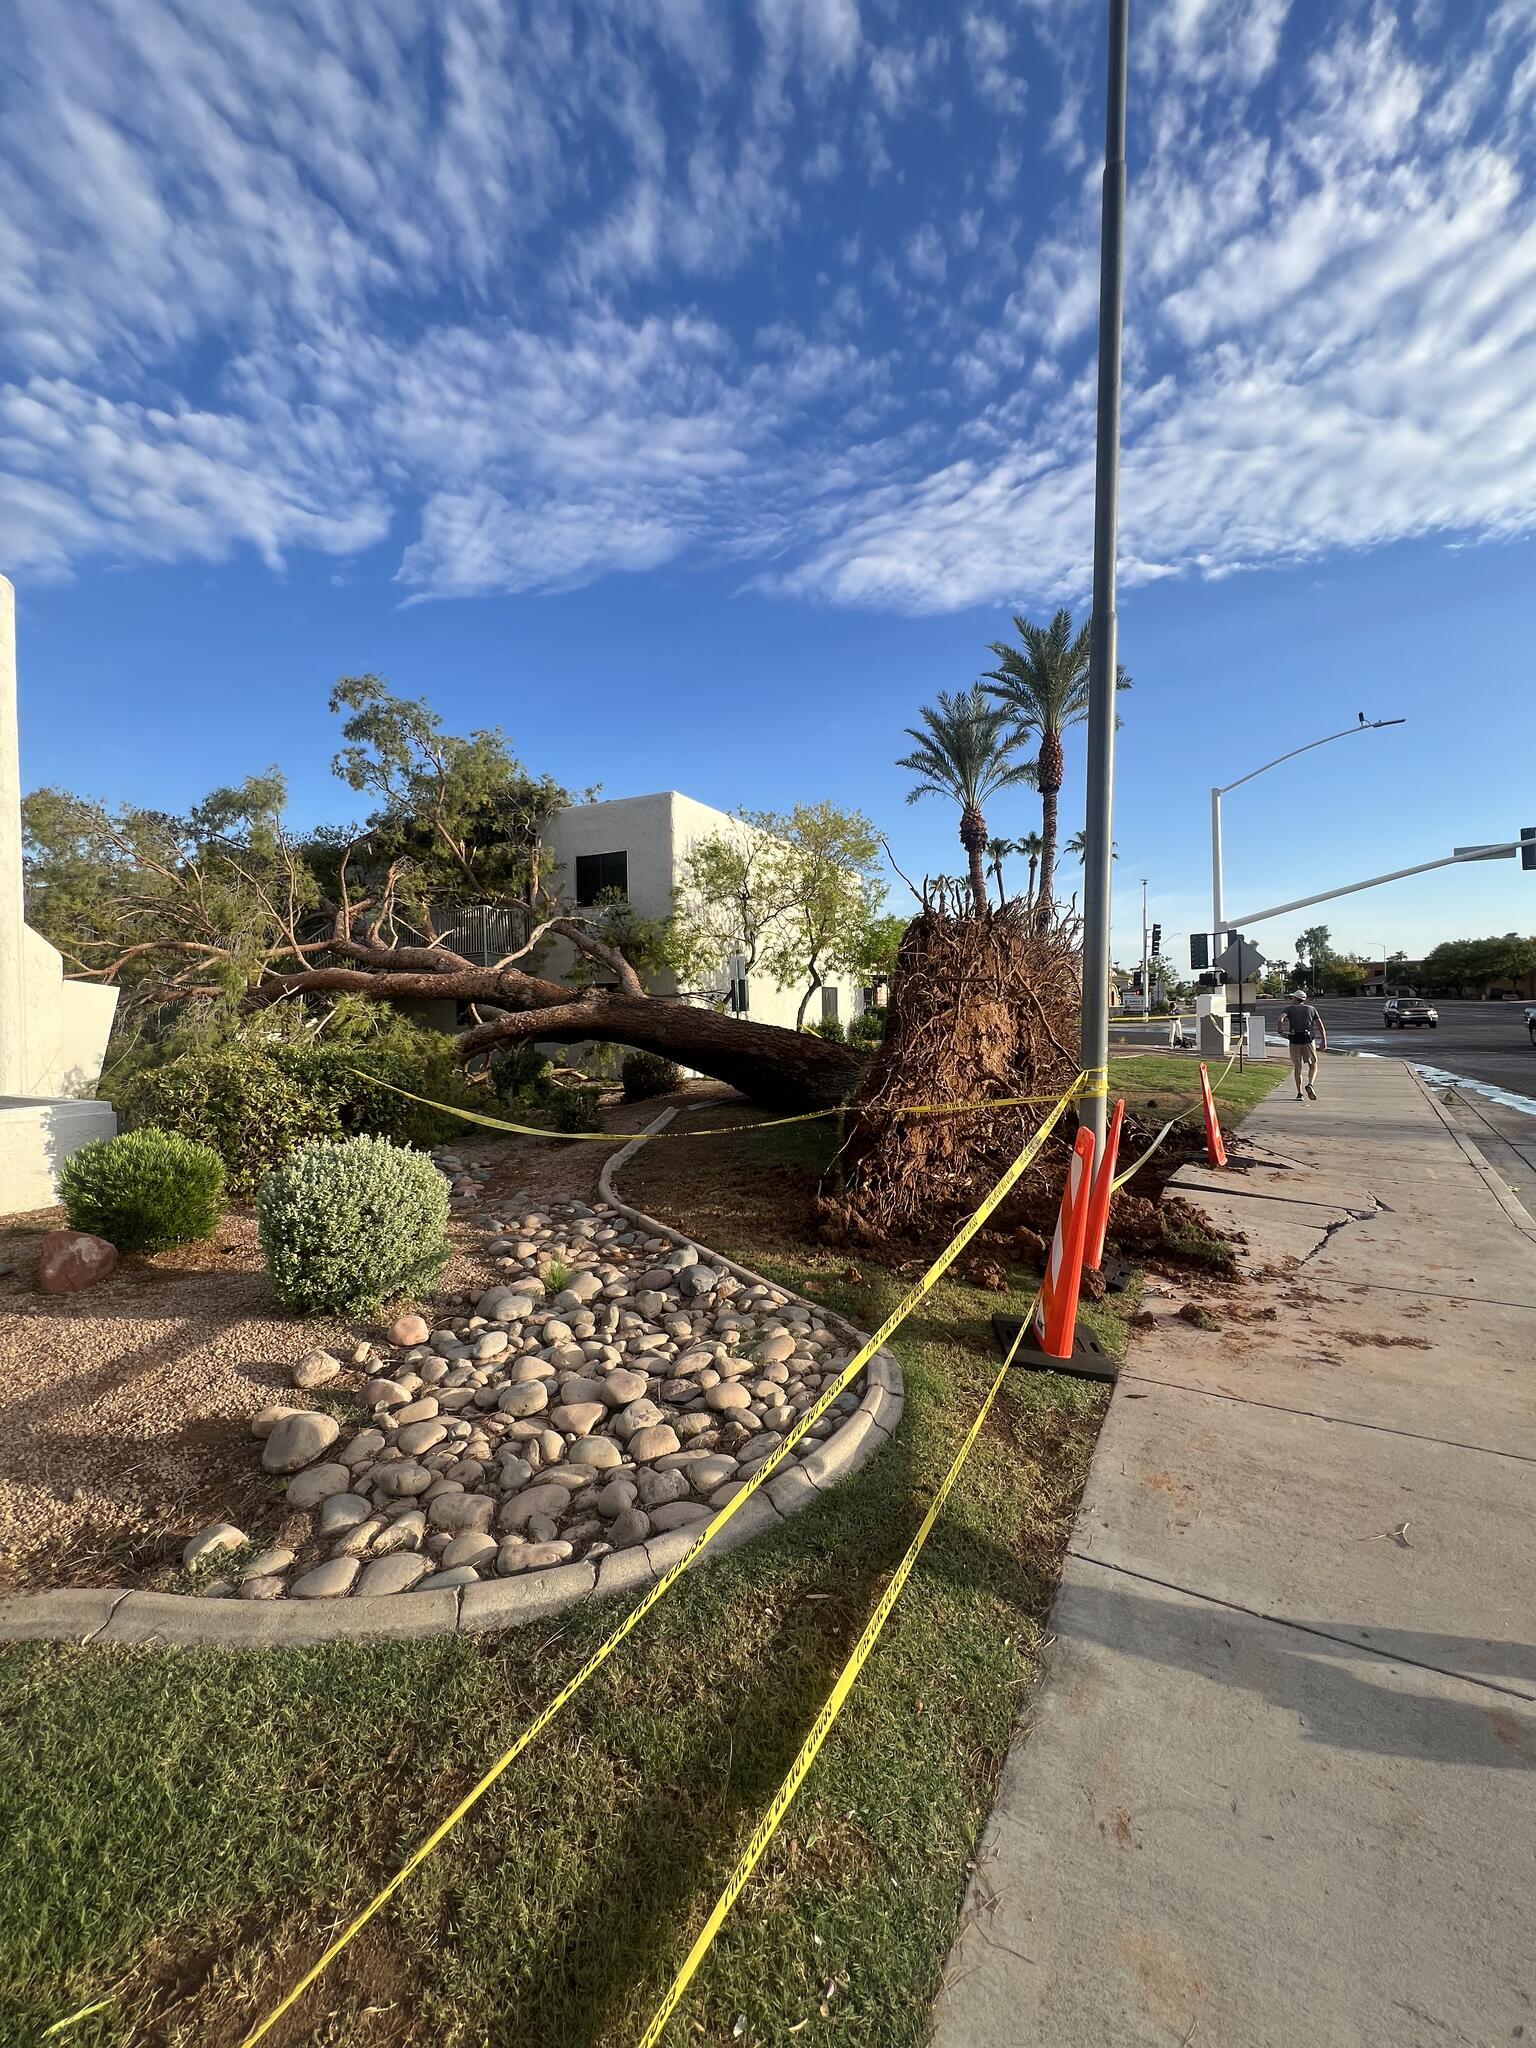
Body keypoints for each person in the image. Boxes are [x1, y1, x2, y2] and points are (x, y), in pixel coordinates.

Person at [1278, 989, 1327, 1100]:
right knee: (1313, 1064)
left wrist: (1281, 1031)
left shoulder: (1289, 1009)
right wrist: (1324, 1040)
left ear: (1296, 999)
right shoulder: (1311, 1009)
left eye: (1292, 998)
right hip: (1308, 1039)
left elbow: (1280, 1019)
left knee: (1297, 1066)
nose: (1291, 1000)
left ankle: (1299, 1093)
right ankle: (1310, 1084)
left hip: (1295, 1039)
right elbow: (1320, 1025)